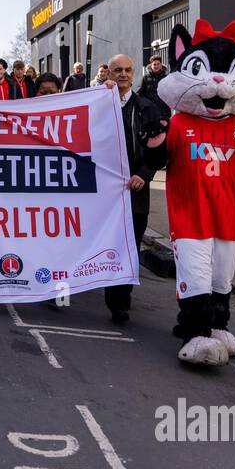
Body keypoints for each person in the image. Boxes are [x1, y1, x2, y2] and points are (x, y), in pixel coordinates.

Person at [103, 54, 166, 324]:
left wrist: (145, 173)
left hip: (135, 190)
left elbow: (159, 148)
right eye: (118, 70)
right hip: (103, 192)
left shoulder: (147, 107)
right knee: (108, 243)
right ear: (108, 73)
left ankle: (122, 297)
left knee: (130, 244)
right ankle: (115, 302)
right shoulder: (98, 103)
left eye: (128, 70)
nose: (123, 74)